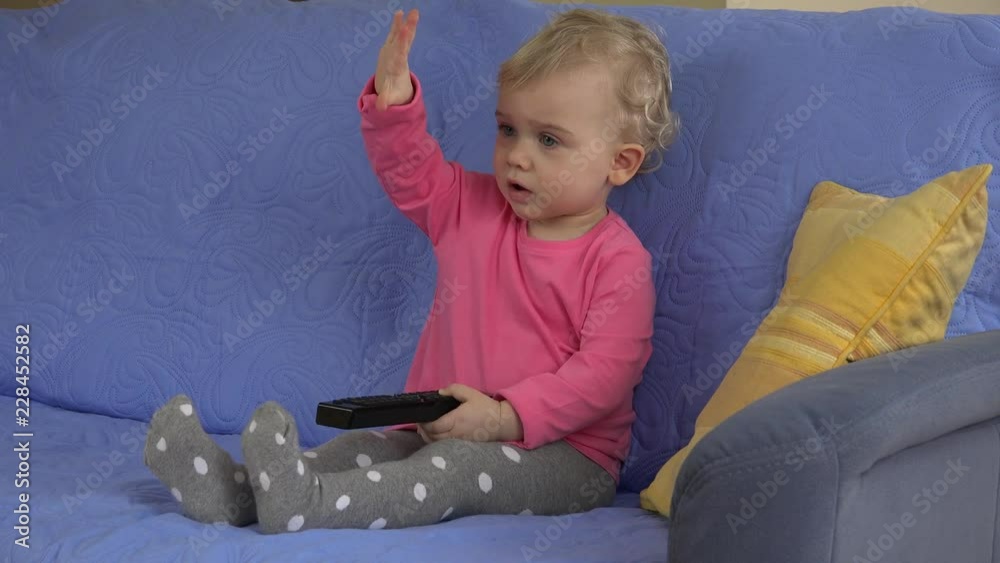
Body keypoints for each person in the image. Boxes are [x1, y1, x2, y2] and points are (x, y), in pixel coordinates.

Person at [143, 6, 679, 534]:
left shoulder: (618, 261)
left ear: (620, 163)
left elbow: (604, 377)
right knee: (361, 448)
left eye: (548, 140)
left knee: (455, 472)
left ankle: (309, 503)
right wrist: (393, 106)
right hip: (435, 429)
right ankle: (236, 494)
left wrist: (501, 419)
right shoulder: (471, 207)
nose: (517, 155)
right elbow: (415, 176)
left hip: (566, 458)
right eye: (507, 129)